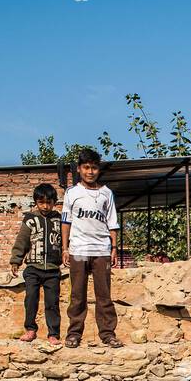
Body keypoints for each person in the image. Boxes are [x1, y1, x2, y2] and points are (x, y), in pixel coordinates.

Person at [60, 148, 122, 348]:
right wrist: (65, 248)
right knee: (77, 295)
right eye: (86, 167)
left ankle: (108, 334)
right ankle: (74, 334)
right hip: (78, 250)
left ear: (99, 170)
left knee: (104, 296)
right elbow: (66, 222)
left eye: (94, 168)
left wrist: (113, 247)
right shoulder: (72, 193)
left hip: (102, 250)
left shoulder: (106, 193)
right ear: (79, 169)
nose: (90, 172)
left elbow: (112, 222)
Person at [10, 183, 63, 344]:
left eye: (49, 202)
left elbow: (66, 240)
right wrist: (16, 260)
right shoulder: (30, 219)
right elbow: (22, 241)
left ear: (55, 202)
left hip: (53, 270)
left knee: (52, 302)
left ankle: (53, 333)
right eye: (41, 202)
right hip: (33, 267)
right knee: (31, 299)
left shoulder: (59, 219)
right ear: (36, 203)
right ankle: (30, 329)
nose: (45, 206)